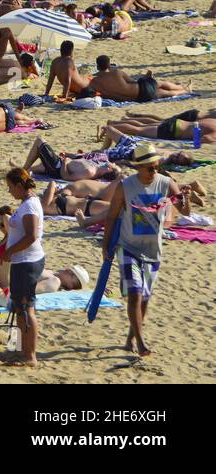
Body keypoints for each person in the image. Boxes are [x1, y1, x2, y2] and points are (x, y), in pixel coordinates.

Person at [97, 147, 180, 357]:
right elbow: (112, 217)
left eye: (156, 167)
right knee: (134, 294)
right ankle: (141, 342)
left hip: (153, 251)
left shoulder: (166, 183)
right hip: (128, 248)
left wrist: (185, 198)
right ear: (139, 168)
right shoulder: (125, 187)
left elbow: (184, 209)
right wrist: (106, 245)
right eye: (150, 168)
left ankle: (131, 338)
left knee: (144, 299)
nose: (154, 171)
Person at [0, 167, 44, 368]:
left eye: (10, 187)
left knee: (26, 309)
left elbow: (31, 236)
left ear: (19, 185)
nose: (10, 191)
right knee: (19, 307)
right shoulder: (27, 203)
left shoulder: (29, 207)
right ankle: (19, 349)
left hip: (27, 262)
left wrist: (10, 251)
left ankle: (30, 355)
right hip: (22, 261)